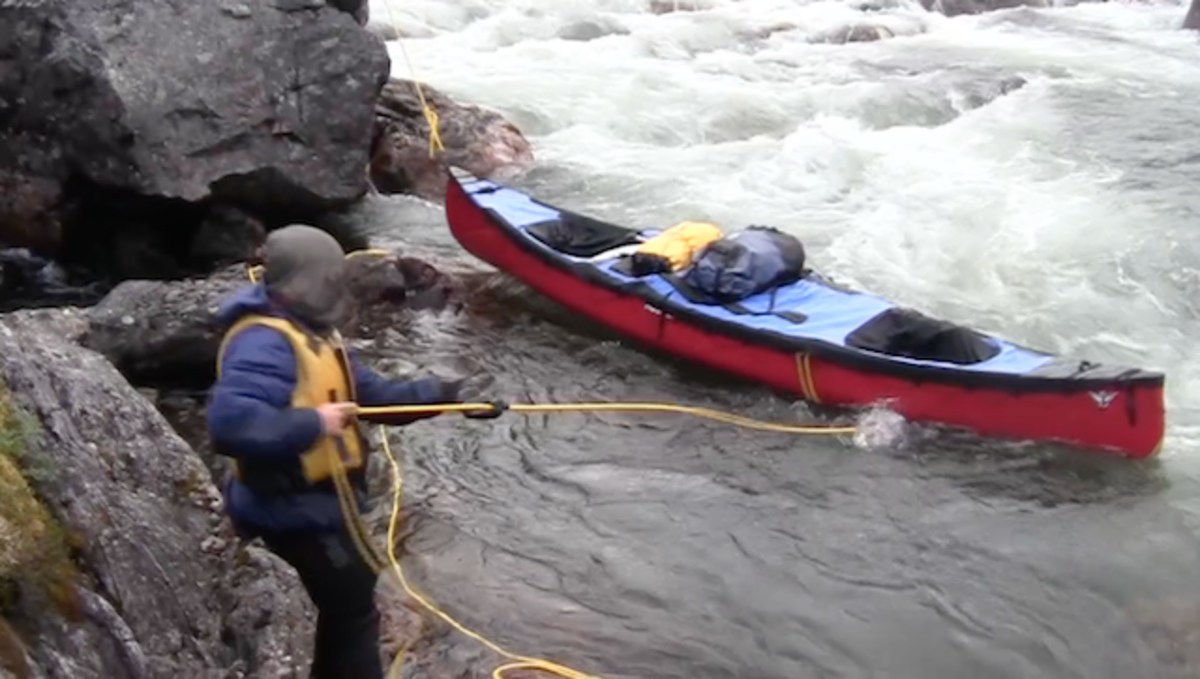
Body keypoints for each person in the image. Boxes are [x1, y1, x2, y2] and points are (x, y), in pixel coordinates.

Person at [206, 224, 503, 679]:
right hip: (287, 507)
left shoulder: (313, 333)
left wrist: (452, 397)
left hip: (313, 500)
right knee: (352, 602)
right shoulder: (263, 343)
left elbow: (376, 396)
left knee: (351, 599)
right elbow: (230, 426)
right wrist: (315, 423)